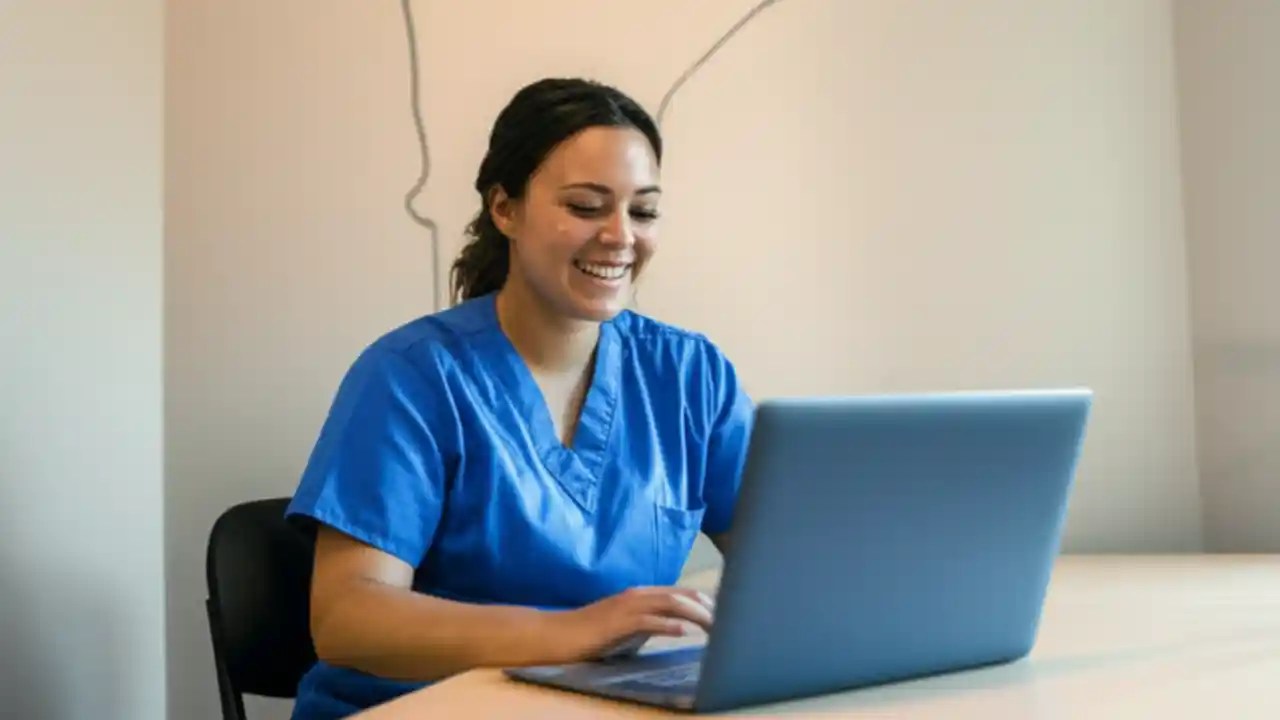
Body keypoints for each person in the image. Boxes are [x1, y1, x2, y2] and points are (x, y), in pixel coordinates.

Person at [284, 77, 755, 719]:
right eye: (587, 206)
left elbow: (788, 558)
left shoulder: (691, 376)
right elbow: (348, 617)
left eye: (642, 211)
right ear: (505, 209)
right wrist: (571, 633)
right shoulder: (413, 377)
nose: (620, 236)